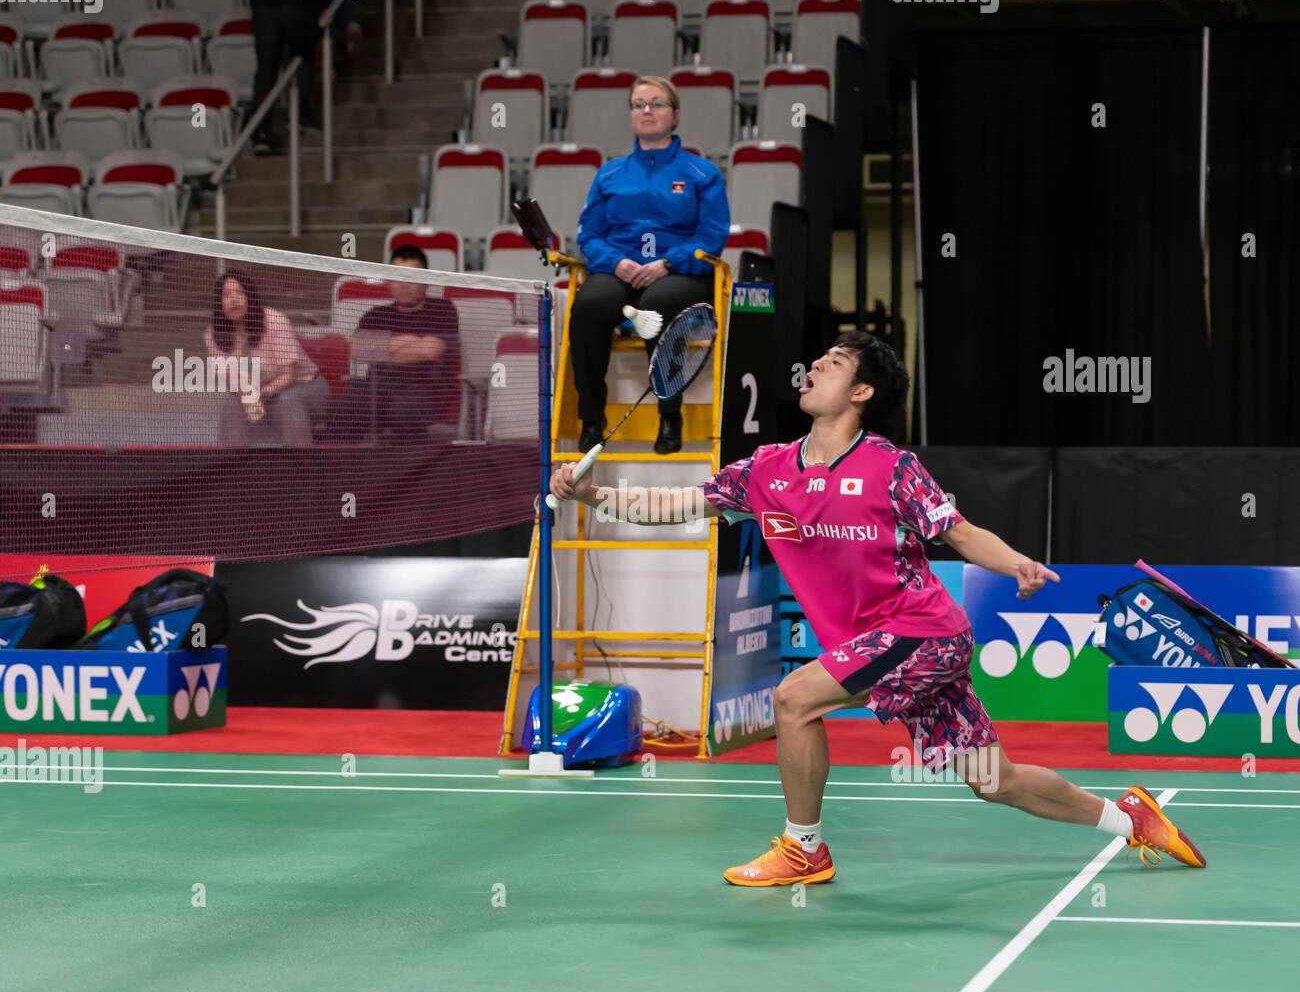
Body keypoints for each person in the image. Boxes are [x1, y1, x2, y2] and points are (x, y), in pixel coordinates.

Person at [549, 332, 1207, 883]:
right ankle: (1131, 818)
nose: (815, 369)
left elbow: (958, 532)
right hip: (886, 647)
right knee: (992, 779)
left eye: (834, 364)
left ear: (861, 393)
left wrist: (1017, 564)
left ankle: (804, 849)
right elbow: (675, 506)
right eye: (818, 361)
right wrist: (592, 495)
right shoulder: (767, 470)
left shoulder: (893, 468)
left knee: (793, 699)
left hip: (920, 632)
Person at [571, 75, 730, 455]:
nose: (647, 110)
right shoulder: (609, 174)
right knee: (590, 305)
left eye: (656, 103)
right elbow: (588, 236)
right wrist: (618, 262)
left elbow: (711, 238)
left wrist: (667, 262)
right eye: (639, 104)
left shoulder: (702, 174)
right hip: (620, 269)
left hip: (680, 274)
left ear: (674, 115)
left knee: (657, 305)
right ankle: (592, 419)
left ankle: (669, 415)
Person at [341, 245, 461, 441]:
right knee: (343, 409)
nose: (403, 285)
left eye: (411, 278)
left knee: (402, 412)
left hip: (426, 390)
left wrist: (382, 348)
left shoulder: (443, 309)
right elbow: (358, 350)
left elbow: (430, 351)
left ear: (426, 280)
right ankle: (347, 469)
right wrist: (413, 342)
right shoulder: (376, 314)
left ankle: (408, 470)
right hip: (377, 388)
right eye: (397, 277)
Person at [205, 270, 328, 446]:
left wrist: (265, 393)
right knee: (232, 406)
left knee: (288, 401)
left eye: (240, 292)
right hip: (258, 396)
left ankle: (301, 466)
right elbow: (233, 379)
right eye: (226, 295)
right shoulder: (213, 333)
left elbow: (289, 375)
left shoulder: (275, 321)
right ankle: (233, 466)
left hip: (305, 388)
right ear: (219, 303)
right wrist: (250, 399)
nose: (234, 300)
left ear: (250, 297)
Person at [248, 0, 330, 156]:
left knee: (266, 72)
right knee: (303, 55)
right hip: (297, 4)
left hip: (263, 7)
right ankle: (299, 115)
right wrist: (323, 3)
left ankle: (262, 135)